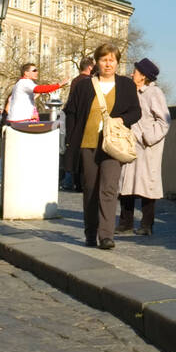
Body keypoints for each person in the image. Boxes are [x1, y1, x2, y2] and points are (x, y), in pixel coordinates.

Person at [63, 43, 140, 249]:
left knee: (109, 189)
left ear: (117, 62)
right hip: (88, 143)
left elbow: (136, 112)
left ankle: (106, 236)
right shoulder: (83, 86)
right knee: (90, 189)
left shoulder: (126, 85)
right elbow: (71, 113)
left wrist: (121, 120)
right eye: (104, 59)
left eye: (112, 60)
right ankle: (90, 232)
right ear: (97, 62)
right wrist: (71, 139)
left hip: (112, 144)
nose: (108, 64)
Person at [0, 61, 69, 188]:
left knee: (13, 150)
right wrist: (59, 84)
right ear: (26, 73)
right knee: (19, 150)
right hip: (21, 121)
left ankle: (0, 176)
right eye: (34, 70)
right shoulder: (25, 83)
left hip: (18, 120)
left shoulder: (22, 84)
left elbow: (34, 94)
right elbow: (40, 89)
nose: (37, 72)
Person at [117, 58, 170, 238]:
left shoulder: (155, 93)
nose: (132, 74)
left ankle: (147, 224)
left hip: (148, 147)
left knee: (147, 185)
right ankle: (126, 223)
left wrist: (147, 137)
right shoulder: (132, 92)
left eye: (136, 72)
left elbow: (164, 121)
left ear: (144, 76)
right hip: (130, 144)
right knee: (126, 184)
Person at [60, 56, 95, 192]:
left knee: (72, 150)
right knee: (77, 152)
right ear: (90, 67)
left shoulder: (76, 80)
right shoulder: (85, 81)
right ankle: (71, 181)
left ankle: (70, 180)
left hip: (73, 120)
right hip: (80, 120)